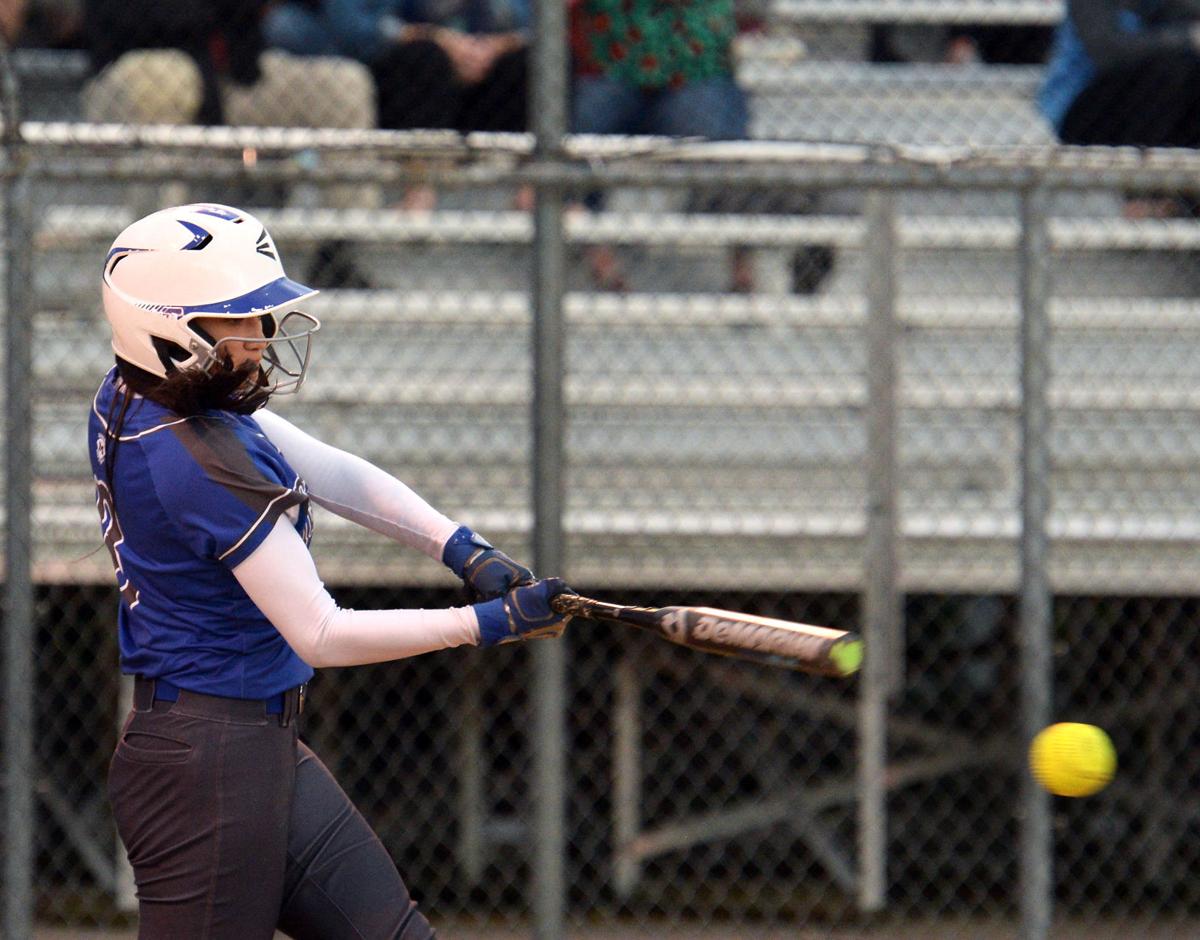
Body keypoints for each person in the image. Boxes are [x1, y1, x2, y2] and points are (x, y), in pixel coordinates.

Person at [90, 202, 572, 937]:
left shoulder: (141, 390)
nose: (261, 337)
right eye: (236, 321)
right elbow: (321, 632)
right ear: (167, 329)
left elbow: (326, 471)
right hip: (205, 768)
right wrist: (485, 624)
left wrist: (460, 548)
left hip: (254, 749)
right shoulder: (196, 460)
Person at [1038, 0, 1200, 147]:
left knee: (1186, 67)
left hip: (1137, 110)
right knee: (1170, 66)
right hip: (1080, 108)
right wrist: (1186, 38)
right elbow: (1107, 52)